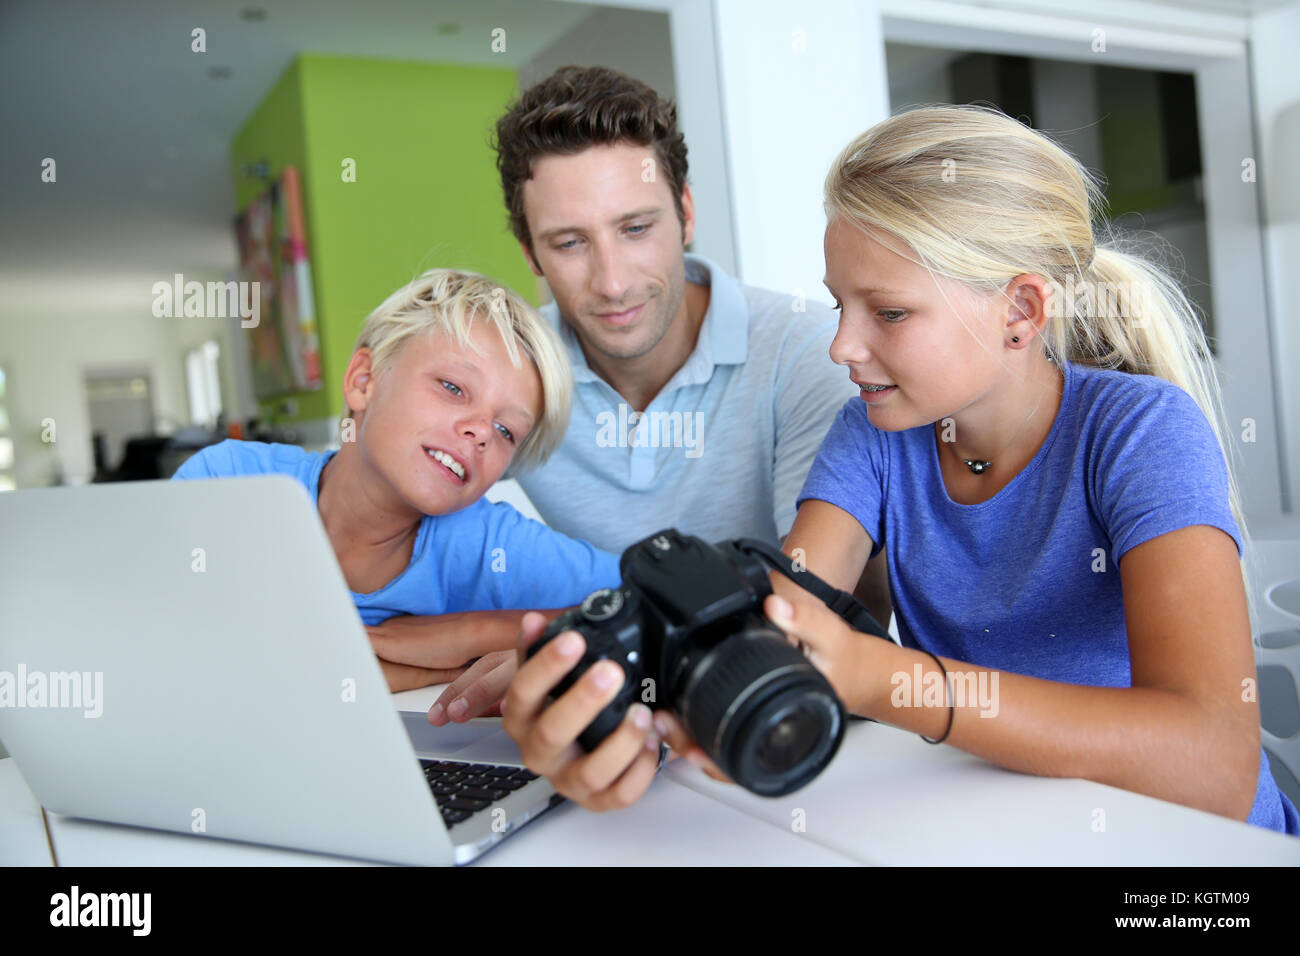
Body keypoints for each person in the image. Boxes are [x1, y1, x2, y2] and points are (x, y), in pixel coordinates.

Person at [501, 104, 1300, 836]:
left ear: (1020, 311)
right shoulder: (877, 434)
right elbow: (786, 616)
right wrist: (626, 703)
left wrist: (891, 680)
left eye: (887, 313)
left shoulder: (1139, 431)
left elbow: (1214, 765)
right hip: (1010, 825)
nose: (842, 346)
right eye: (839, 305)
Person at [426, 65, 877, 725]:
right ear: (529, 252)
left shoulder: (805, 351)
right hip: (611, 721)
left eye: (635, 229)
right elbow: (396, 537)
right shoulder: (512, 372)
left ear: (686, 213)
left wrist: (575, 647)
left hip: (768, 717)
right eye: (570, 242)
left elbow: (816, 616)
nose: (611, 283)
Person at [173, 268, 622, 691]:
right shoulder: (230, 483)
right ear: (364, 381)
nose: (482, 431)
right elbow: (166, 646)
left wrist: (472, 633)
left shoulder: (489, 542)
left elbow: (669, 603)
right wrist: (408, 670)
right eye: (452, 387)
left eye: (507, 431)